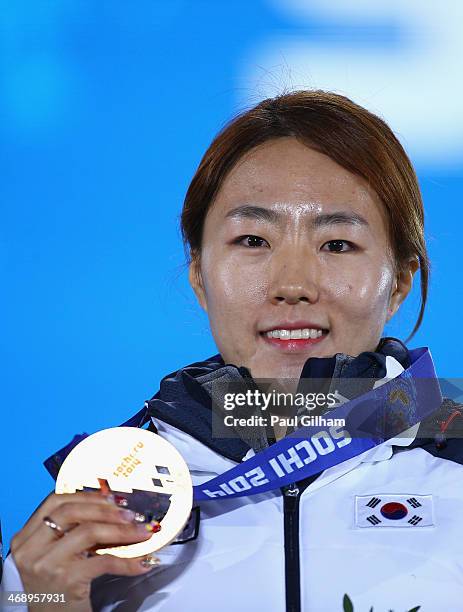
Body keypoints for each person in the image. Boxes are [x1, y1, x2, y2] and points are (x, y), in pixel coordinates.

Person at [2, 90, 463, 612]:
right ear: (199, 273)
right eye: (252, 240)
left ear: (400, 281)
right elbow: (29, 594)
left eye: (337, 244)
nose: (293, 284)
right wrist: (42, 600)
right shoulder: (100, 507)